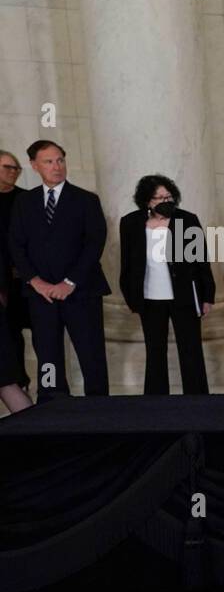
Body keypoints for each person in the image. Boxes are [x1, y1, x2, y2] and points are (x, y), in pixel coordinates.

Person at [7, 140, 109, 400]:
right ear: (34, 165)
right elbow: (16, 245)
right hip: (40, 295)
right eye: (49, 161)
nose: (57, 167)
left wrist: (69, 282)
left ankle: (100, 406)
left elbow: (94, 244)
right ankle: (53, 403)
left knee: (91, 353)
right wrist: (35, 281)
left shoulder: (86, 200)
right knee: (48, 354)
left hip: (81, 291)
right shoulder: (24, 202)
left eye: (60, 160)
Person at [118, 175, 214, 395]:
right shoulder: (131, 222)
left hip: (184, 296)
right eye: (159, 197)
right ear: (146, 201)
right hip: (150, 297)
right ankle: (156, 401)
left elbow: (201, 261)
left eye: (168, 196)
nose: (165, 200)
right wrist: (130, 297)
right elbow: (127, 264)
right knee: (155, 350)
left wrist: (207, 295)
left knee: (190, 350)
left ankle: (198, 398)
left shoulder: (187, 219)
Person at [0, 149, 30, 392]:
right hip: (2, 282)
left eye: (16, 168)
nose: (13, 172)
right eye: (8, 167)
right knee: (9, 336)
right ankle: (18, 382)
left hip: (27, 278)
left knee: (41, 334)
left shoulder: (27, 199)